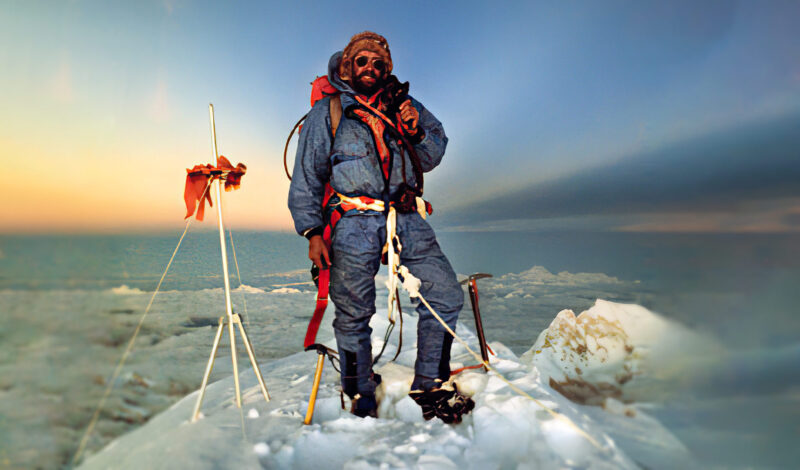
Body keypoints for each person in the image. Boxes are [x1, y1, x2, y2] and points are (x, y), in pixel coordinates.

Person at [288, 32, 473, 422]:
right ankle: (359, 391)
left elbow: (433, 153)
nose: (370, 68)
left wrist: (416, 130)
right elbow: (307, 174)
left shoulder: (406, 106)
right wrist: (312, 232)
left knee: (443, 295)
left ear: (387, 69)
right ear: (347, 67)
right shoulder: (330, 111)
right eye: (362, 61)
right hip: (353, 220)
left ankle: (430, 383)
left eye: (378, 63)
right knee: (353, 310)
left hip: (407, 216)